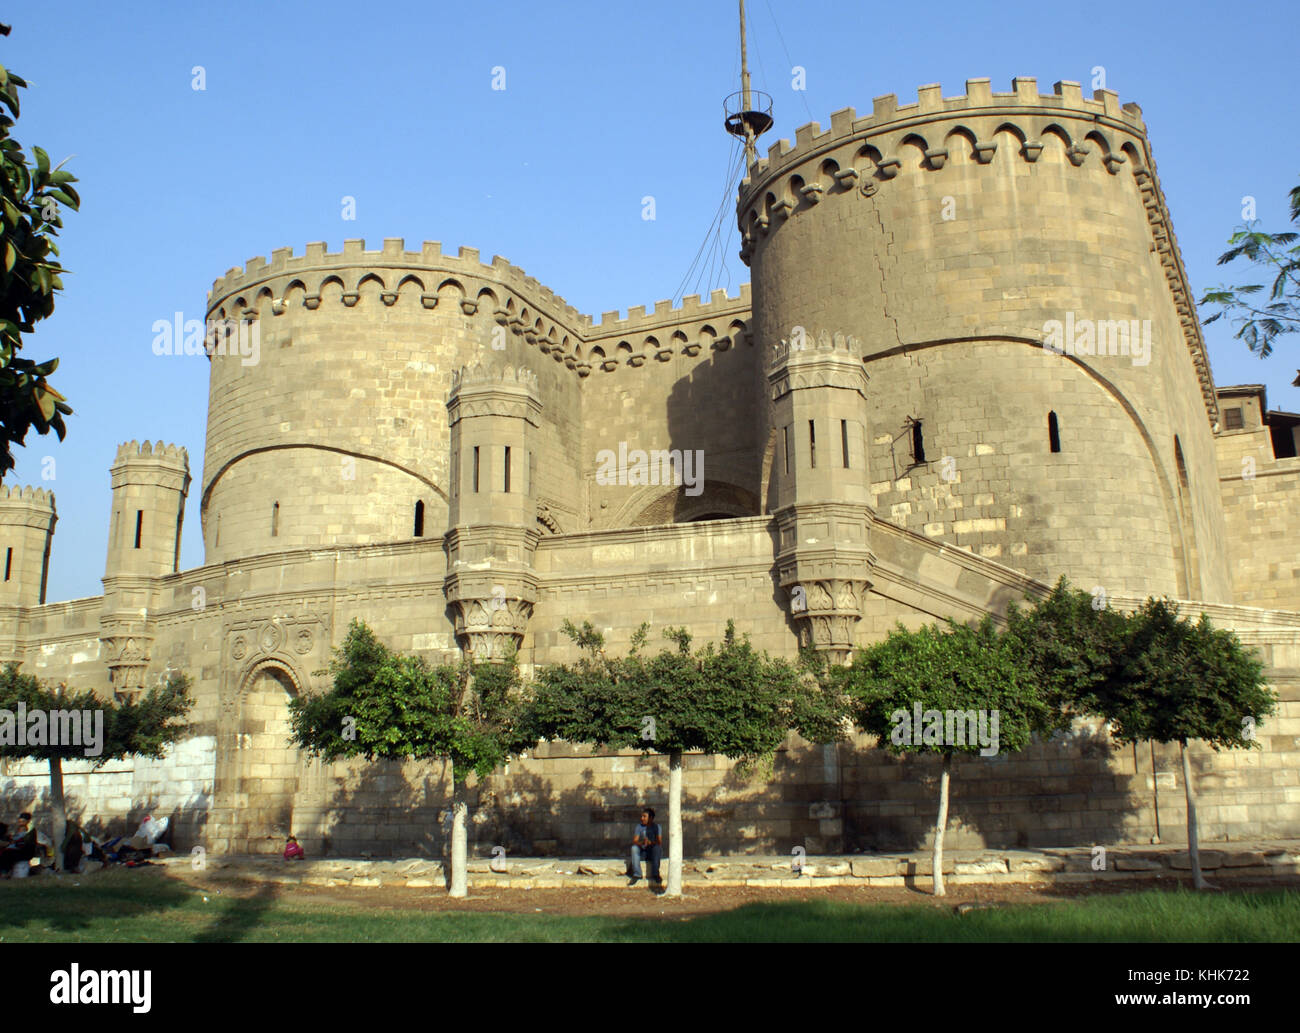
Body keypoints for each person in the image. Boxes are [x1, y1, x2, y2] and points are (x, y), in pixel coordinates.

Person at [628, 807, 663, 886]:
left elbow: (659, 842)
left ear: (650, 818)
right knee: (634, 848)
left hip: (652, 852)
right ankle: (637, 874)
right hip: (643, 852)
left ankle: (655, 874)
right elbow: (635, 841)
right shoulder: (639, 827)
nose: (642, 818)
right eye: (642, 816)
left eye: (644, 816)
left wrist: (651, 842)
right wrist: (642, 842)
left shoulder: (657, 827)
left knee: (657, 848)